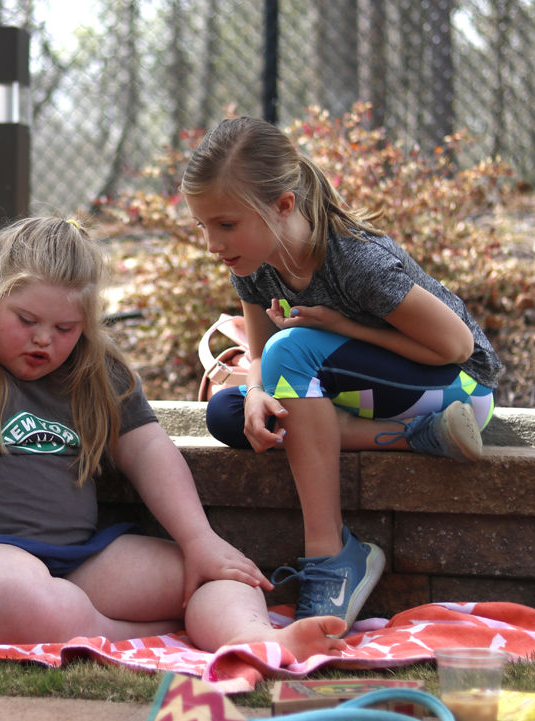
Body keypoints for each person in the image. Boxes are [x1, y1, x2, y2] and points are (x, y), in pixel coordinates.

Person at [0, 215, 347, 661]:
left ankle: (254, 639)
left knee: (223, 573)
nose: (44, 339)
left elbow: (148, 449)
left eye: (65, 327)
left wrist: (199, 540)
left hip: (75, 559)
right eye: (26, 320)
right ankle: (131, 634)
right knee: (10, 593)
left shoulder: (94, 368)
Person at [181, 116, 503, 630]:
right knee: (227, 412)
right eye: (202, 226)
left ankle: (333, 557)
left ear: (283, 205)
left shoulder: (355, 261)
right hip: (387, 400)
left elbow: (457, 347)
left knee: (291, 351)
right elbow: (260, 354)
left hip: (458, 388)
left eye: (225, 224)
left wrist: (341, 326)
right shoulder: (254, 264)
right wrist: (258, 391)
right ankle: (415, 436)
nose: (212, 243)